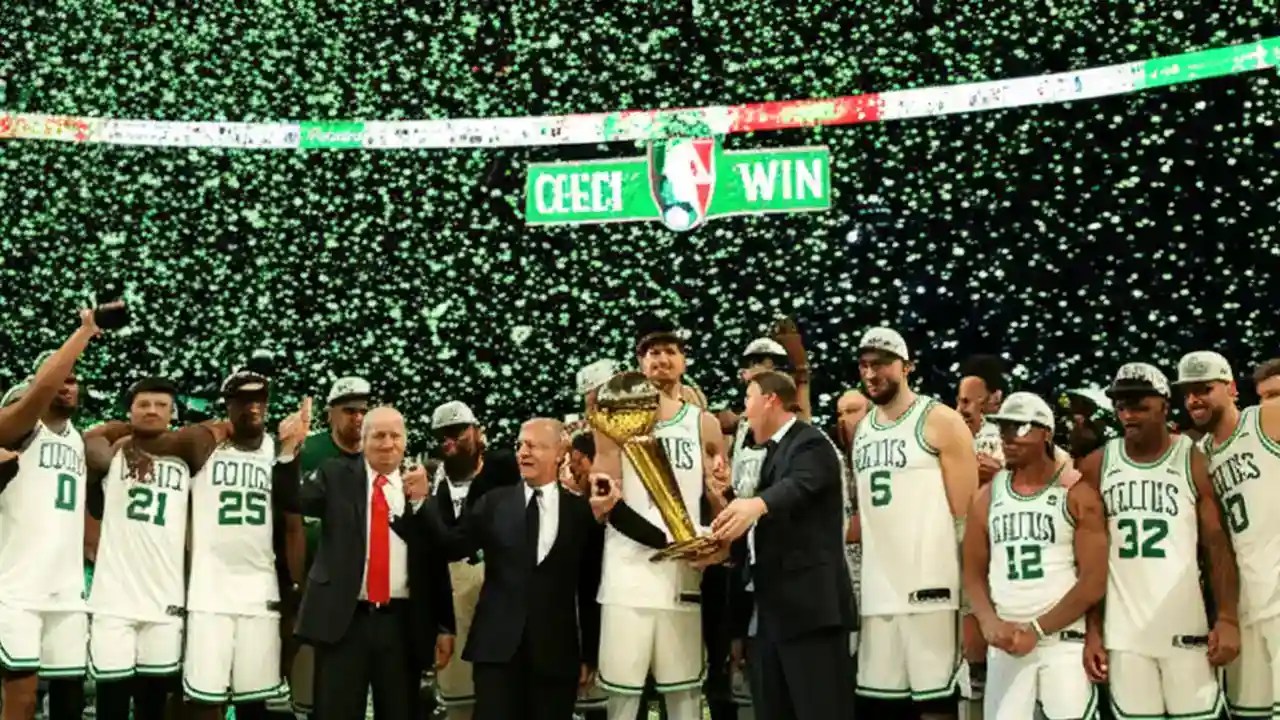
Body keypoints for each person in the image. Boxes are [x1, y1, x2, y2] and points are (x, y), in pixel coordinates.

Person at [1081, 361, 1239, 719]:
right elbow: (1088, 561)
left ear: (1165, 405)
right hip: (1124, 638)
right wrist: (1092, 631)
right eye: (1121, 407)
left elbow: (1216, 547)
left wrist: (1227, 618)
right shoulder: (1097, 465)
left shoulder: (1192, 459)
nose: (1128, 415)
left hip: (1188, 630)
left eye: (1139, 406)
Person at [589, 320, 726, 720]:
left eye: (670, 351)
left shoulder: (704, 423)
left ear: (683, 361)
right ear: (639, 363)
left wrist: (718, 536)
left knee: (684, 697)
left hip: (683, 576)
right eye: (652, 352)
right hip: (627, 578)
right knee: (623, 702)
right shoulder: (610, 418)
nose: (662, 359)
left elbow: (719, 498)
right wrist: (597, 501)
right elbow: (605, 498)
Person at [428, 418, 604, 720]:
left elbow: (589, 588)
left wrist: (589, 653)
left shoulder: (580, 512)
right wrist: (423, 505)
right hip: (496, 652)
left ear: (558, 453)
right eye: (520, 445)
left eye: (533, 446)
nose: (523, 452)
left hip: (556, 655)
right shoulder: (492, 504)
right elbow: (451, 546)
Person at [847, 327, 978, 720]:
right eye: (865, 365)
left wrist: (972, 604)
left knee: (936, 704)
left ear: (907, 367)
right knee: (880, 706)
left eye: (882, 364)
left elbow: (966, 518)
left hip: (932, 592)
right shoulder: (864, 428)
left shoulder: (940, 420)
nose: (871, 374)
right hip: (878, 592)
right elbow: (865, 515)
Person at [709, 371, 856, 720]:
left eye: (748, 399)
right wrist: (729, 500)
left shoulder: (811, 443)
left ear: (770, 400)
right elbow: (769, 520)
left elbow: (799, 486)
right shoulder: (772, 453)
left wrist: (755, 504)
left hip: (809, 613)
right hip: (771, 614)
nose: (744, 411)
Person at [296, 406, 456, 720]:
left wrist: (444, 626)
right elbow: (293, 499)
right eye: (378, 435)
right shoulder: (335, 475)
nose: (387, 443)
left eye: (394, 435)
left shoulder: (422, 486)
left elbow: (438, 556)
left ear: (406, 440)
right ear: (363, 440)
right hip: (345, 621)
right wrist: (290, 453)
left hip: (402, 624)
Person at [0, 306, 121, 720]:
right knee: (22, 698)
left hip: (67, 590)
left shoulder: (78, 441)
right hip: (18, 588)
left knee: (69, 701)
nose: (67, 386)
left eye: (74, 381)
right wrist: (83, 333)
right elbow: (41, 388)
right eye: (60, 379)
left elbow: (118, 430)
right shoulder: (17, 429)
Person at [961, 392, 1106, 719]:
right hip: (1007, 642)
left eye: (1020, 428)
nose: (1009, 438)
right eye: (1004, 429)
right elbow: (972, 569)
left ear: (1046, 433)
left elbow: (1094, 580)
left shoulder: (1076, 494)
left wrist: (1037, 630)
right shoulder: (987, 495)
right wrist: (988, 621)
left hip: (1063, 641)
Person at [82, 378, 190, 720]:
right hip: (114, 602)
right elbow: (88, 441)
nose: (152, 411)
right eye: (143, 404)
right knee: (110, 704)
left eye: (161, 405)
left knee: (153, 706)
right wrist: (130, 436)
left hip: (166, 600)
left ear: (173, 413)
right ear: (130, 411)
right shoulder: (111, 454)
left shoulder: (188, 461)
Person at [1182, 351, 1280, 717]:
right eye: (1187, 392)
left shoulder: (1266, 418)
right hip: (1243, 605)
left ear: (1231, 389)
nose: (1194, 399)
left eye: (1204, 389)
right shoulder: (1197, 456)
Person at [428, 400, 520, 720]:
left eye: (457, 432)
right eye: (441, 436)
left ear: (477, 432)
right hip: (451, 595)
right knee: (458, 700)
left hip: (499, 594)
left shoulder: (506, 470)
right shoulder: (432, 481)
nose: (449, 442)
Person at [291, 376, 371, 716]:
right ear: (330, 414)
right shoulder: (309, 451)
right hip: (308, 580)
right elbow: (287, 508)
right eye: (349, 410)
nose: (357, 418)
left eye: (362, 411)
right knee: (308, 682)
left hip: (357, 589)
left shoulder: (377, 453)